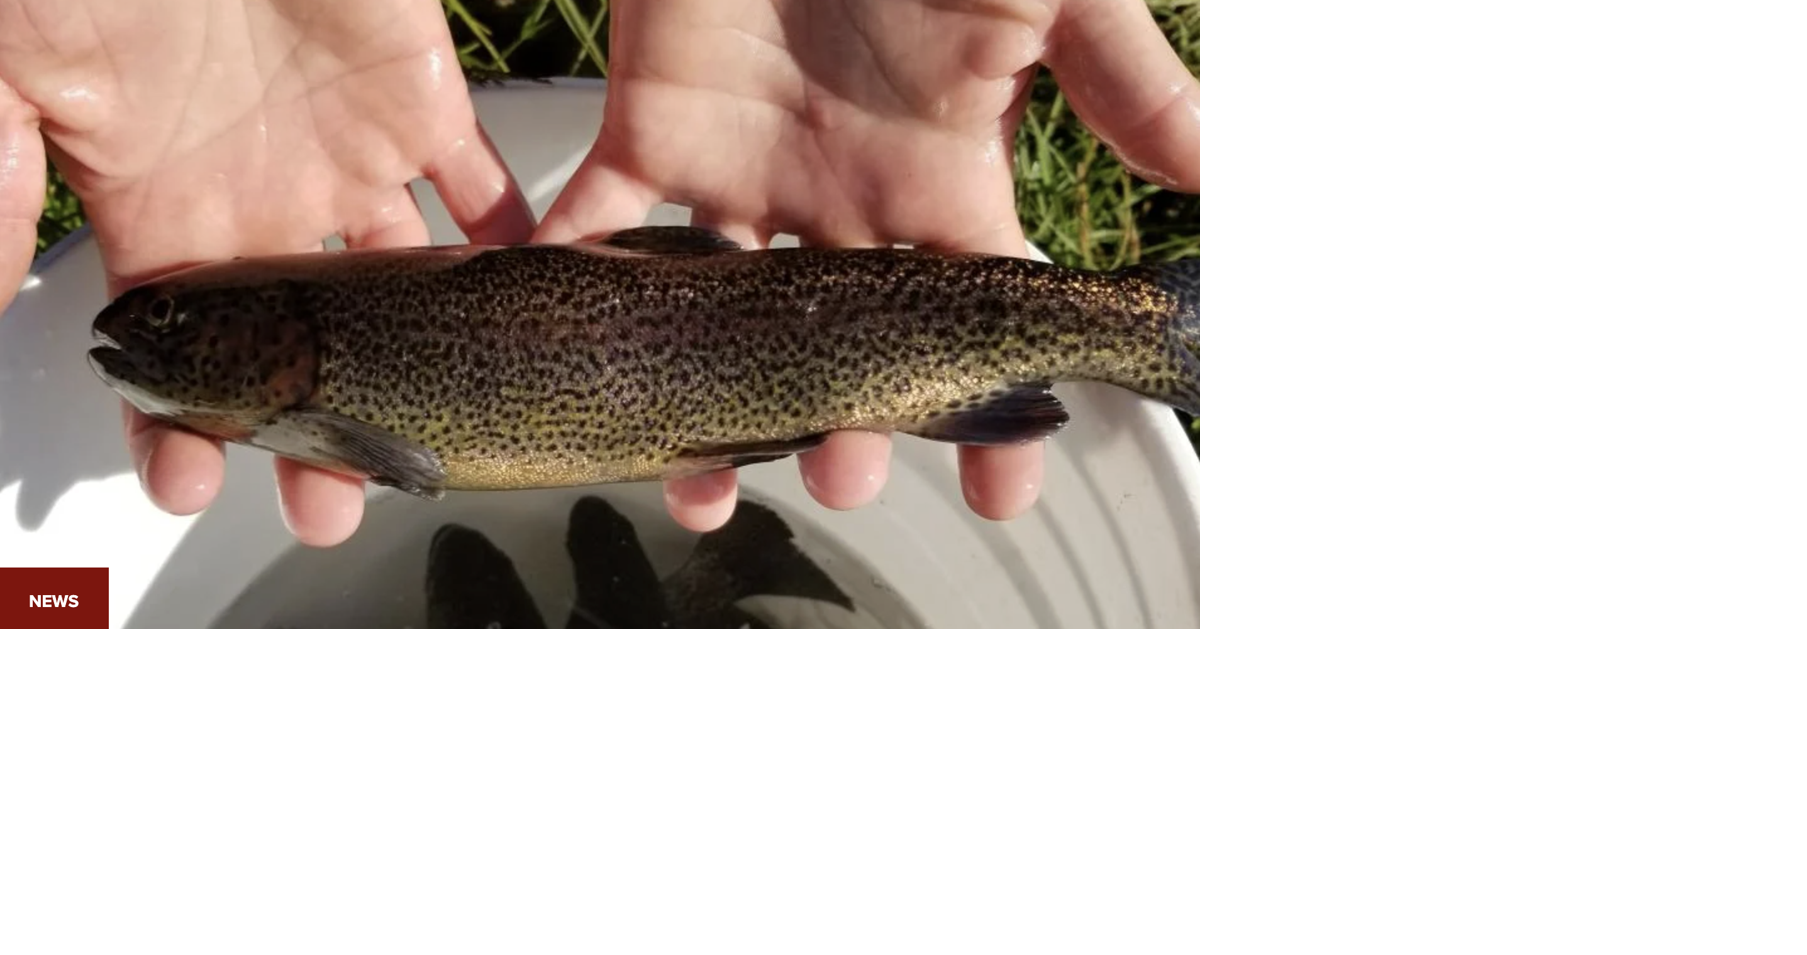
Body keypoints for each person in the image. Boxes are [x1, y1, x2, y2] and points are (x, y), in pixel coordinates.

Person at [0, 0, 1200, 546]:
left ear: (267, 339)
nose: (137, 335)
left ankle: (1155, 328)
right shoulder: (302, 385)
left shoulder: (321, 404)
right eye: (158, 323)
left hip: (757, 348)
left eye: (163, 322)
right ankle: (1148, 326)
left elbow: (407, 473)